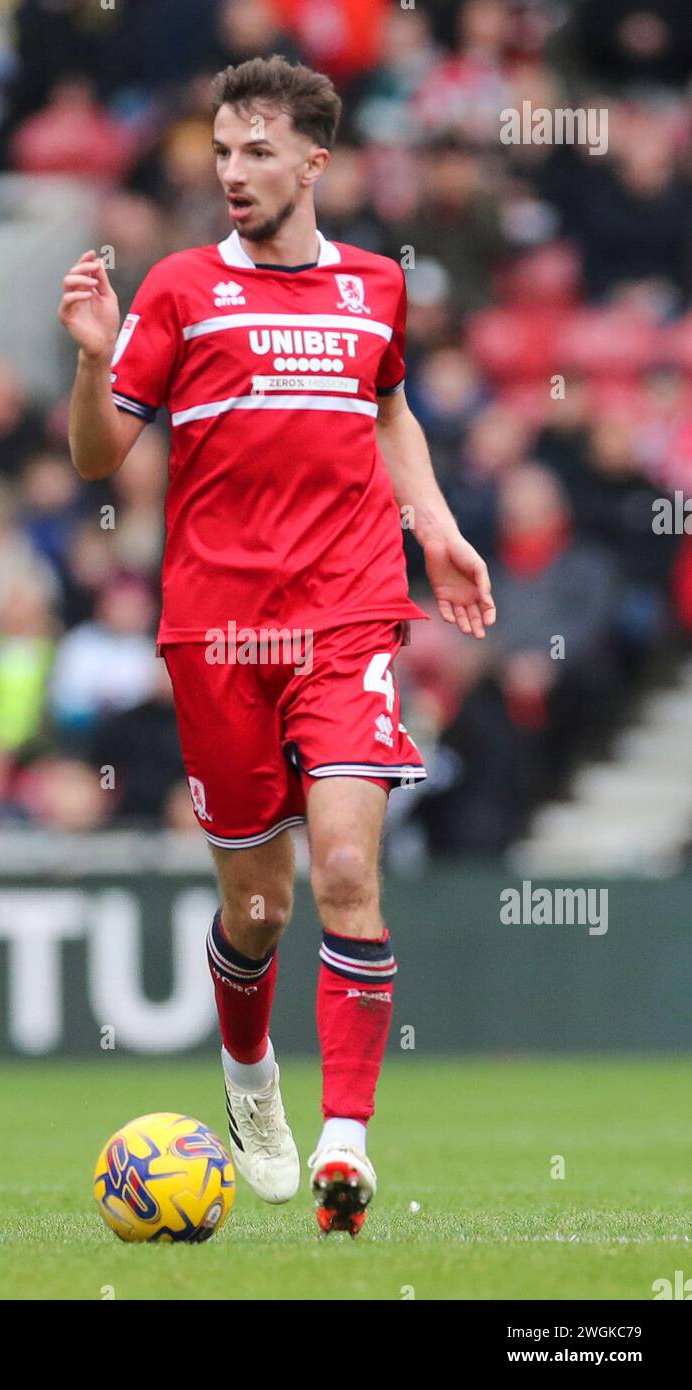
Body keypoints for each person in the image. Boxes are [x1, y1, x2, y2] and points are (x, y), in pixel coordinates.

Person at [58, 54, 495, 1236]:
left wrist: (439, 533)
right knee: (259, 904)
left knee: (348, 870)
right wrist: (97, 358)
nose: (231, 172)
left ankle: (345, 1144)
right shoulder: (181, 289)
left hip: (349, 612)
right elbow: (98, 458)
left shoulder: (372, 288)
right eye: (220, 151)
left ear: (314, 159)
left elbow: (389, 406)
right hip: (215, 633)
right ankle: (251, 1079)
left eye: (256, 152)